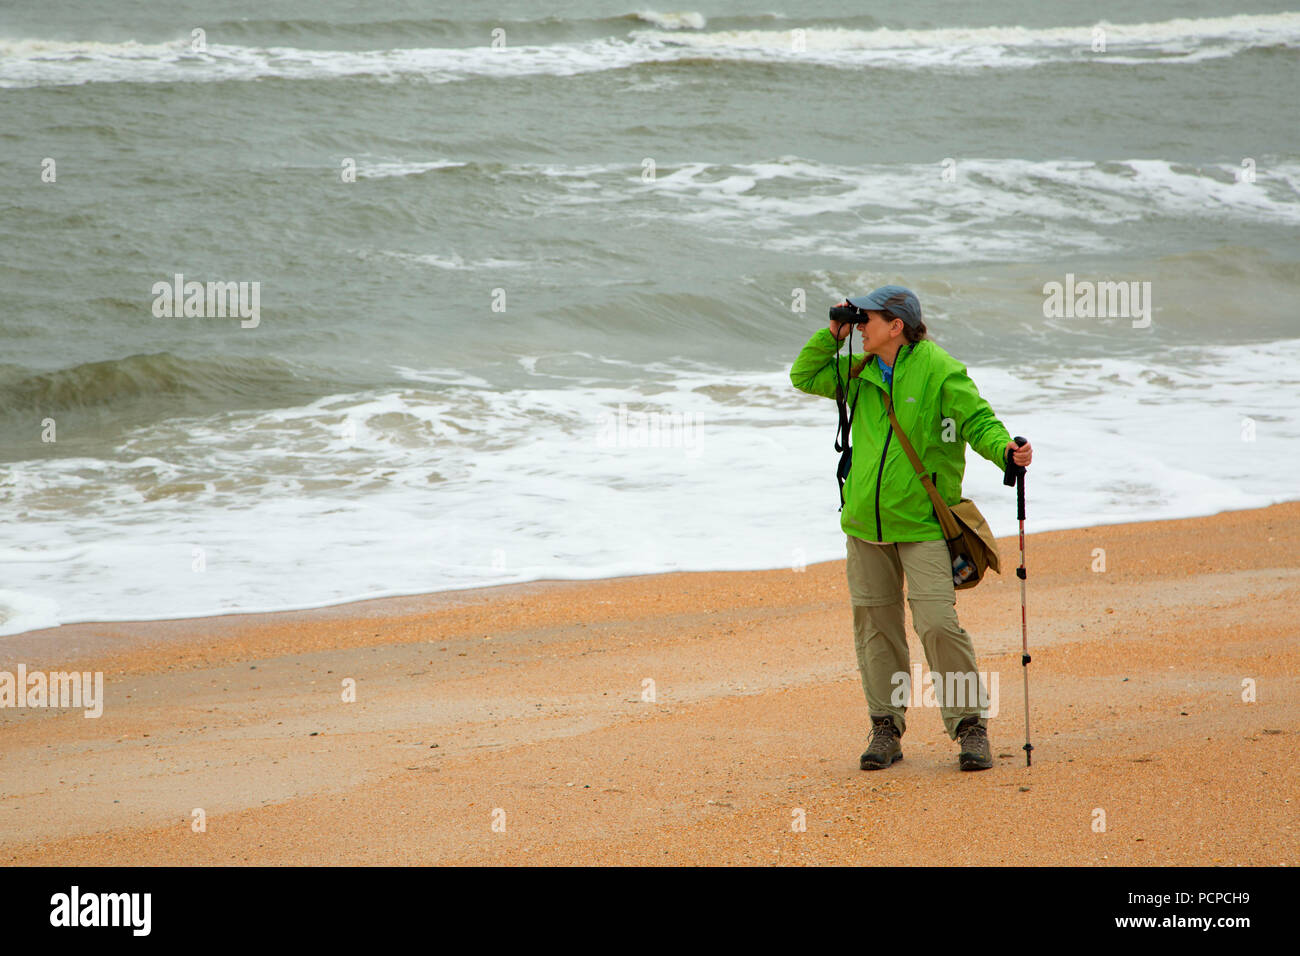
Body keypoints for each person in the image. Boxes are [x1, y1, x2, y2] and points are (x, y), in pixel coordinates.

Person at [790, 285, 1033, 771]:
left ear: (896, 325)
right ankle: (885, 726)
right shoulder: (858, 372)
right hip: (864, 525)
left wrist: (1006, 449)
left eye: (868, 319)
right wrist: (833, 333)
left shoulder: (939, 369)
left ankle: (970, 727)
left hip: (922, 522)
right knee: (876, 628)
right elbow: (804, 375)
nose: (862, 327)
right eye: (857, 321)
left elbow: (977, 420)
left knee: (938, 625)